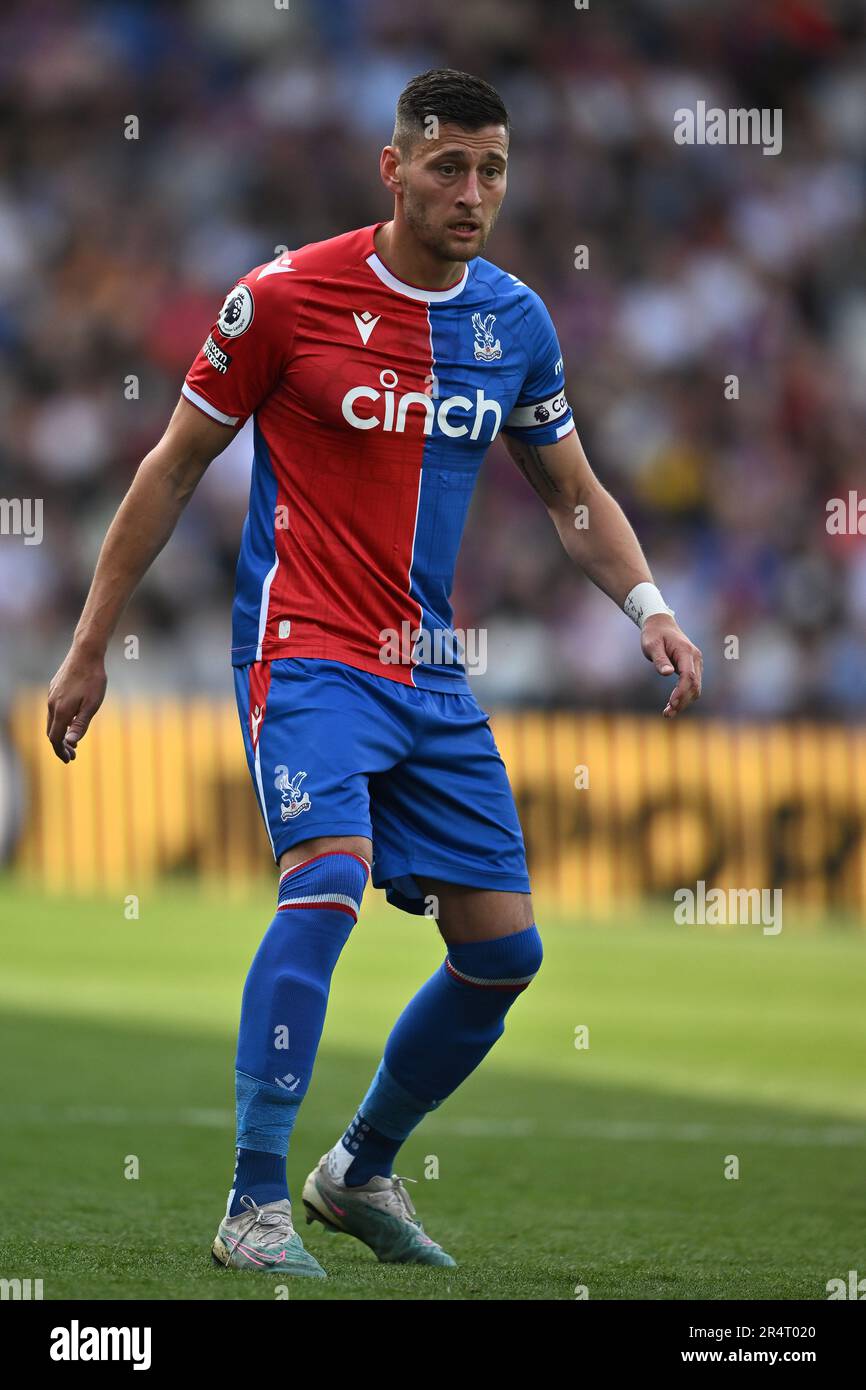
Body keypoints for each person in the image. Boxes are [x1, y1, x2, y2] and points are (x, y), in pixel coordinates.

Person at [46, 68, 702, 1278]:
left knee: (505, 952)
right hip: (303, 652)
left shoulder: (513, 322)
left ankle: (354, 1169)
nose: (471, 192)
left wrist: (649, 606)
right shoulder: (282, 300)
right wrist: (91, 643)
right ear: (390, 167)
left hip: (427, 669)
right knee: (329, 883)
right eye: (446, 165)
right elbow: (172, 469)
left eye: (491, 169)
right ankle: (251, 1203)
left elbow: (570, 492)